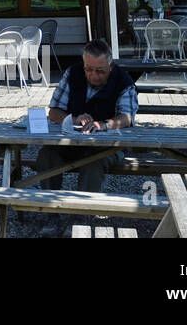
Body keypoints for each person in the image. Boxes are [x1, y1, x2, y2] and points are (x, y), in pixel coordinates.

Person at [34, 39, 137, 233]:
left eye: (100, 71)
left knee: (93, 163)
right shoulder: (72, 73)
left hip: (107, 146)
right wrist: (72, 119)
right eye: (89, 69)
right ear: (83, 64)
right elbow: (54, 112)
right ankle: (51, 213)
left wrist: (103, 125)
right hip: (70, 143)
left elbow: (127, 118)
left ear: (111, 66)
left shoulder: (124, 81)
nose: (93, 75)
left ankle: (80, 218)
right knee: (46, 156)